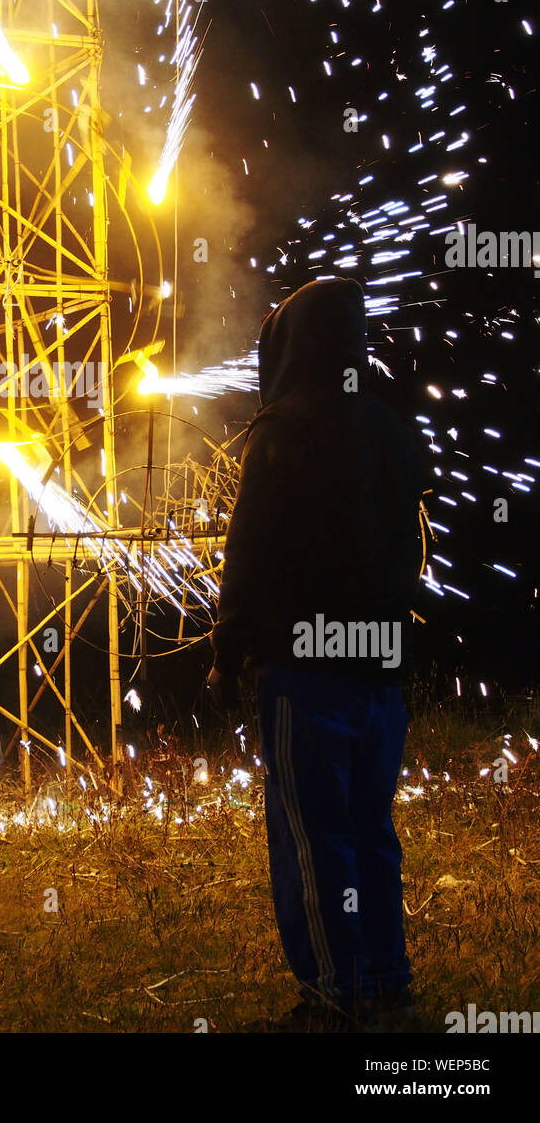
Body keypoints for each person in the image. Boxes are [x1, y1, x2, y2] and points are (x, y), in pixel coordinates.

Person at [207, 277, 427, 1031]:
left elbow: (250, 553)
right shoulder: (395, 433)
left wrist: (227, 649)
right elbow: (409, 555)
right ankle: (387, 984)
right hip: (380, 669)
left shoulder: (280, 431)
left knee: (312, 834)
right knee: (370, 826)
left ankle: (335, 995)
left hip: (305, 670)